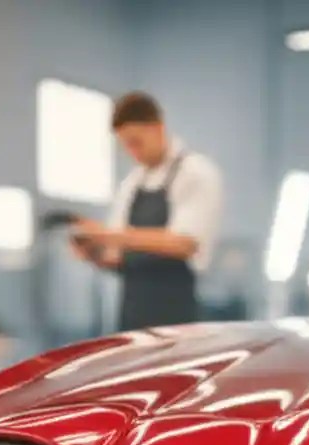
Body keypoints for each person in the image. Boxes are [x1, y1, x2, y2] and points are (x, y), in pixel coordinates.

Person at [71, 92, 223, 331]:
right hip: (131, 319)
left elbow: (184, 243)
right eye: (126, 146)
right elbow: (118, 256)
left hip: (176, 320)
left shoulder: (195, 172)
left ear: (158, 128)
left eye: (136, 142)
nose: (133, 152)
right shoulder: (131, 184)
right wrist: (94, 253)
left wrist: (109, 235)